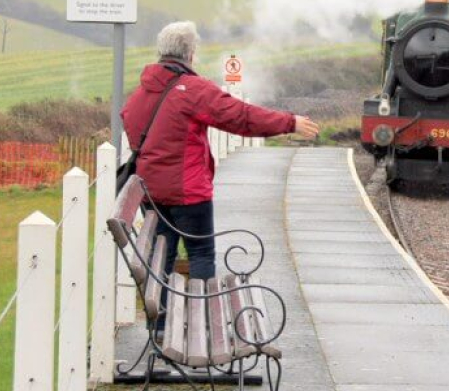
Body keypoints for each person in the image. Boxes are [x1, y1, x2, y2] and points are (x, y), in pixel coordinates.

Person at [122, 21, 318, 322]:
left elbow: (132, 125)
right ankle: (201, 324)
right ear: (190, 53)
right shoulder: (193, 90)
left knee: (163, 258)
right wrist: (288, 122)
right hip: (188, 193)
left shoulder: (141, 92)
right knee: (201, 255)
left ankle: (160, 327)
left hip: (151, 192)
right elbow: (241, 117)